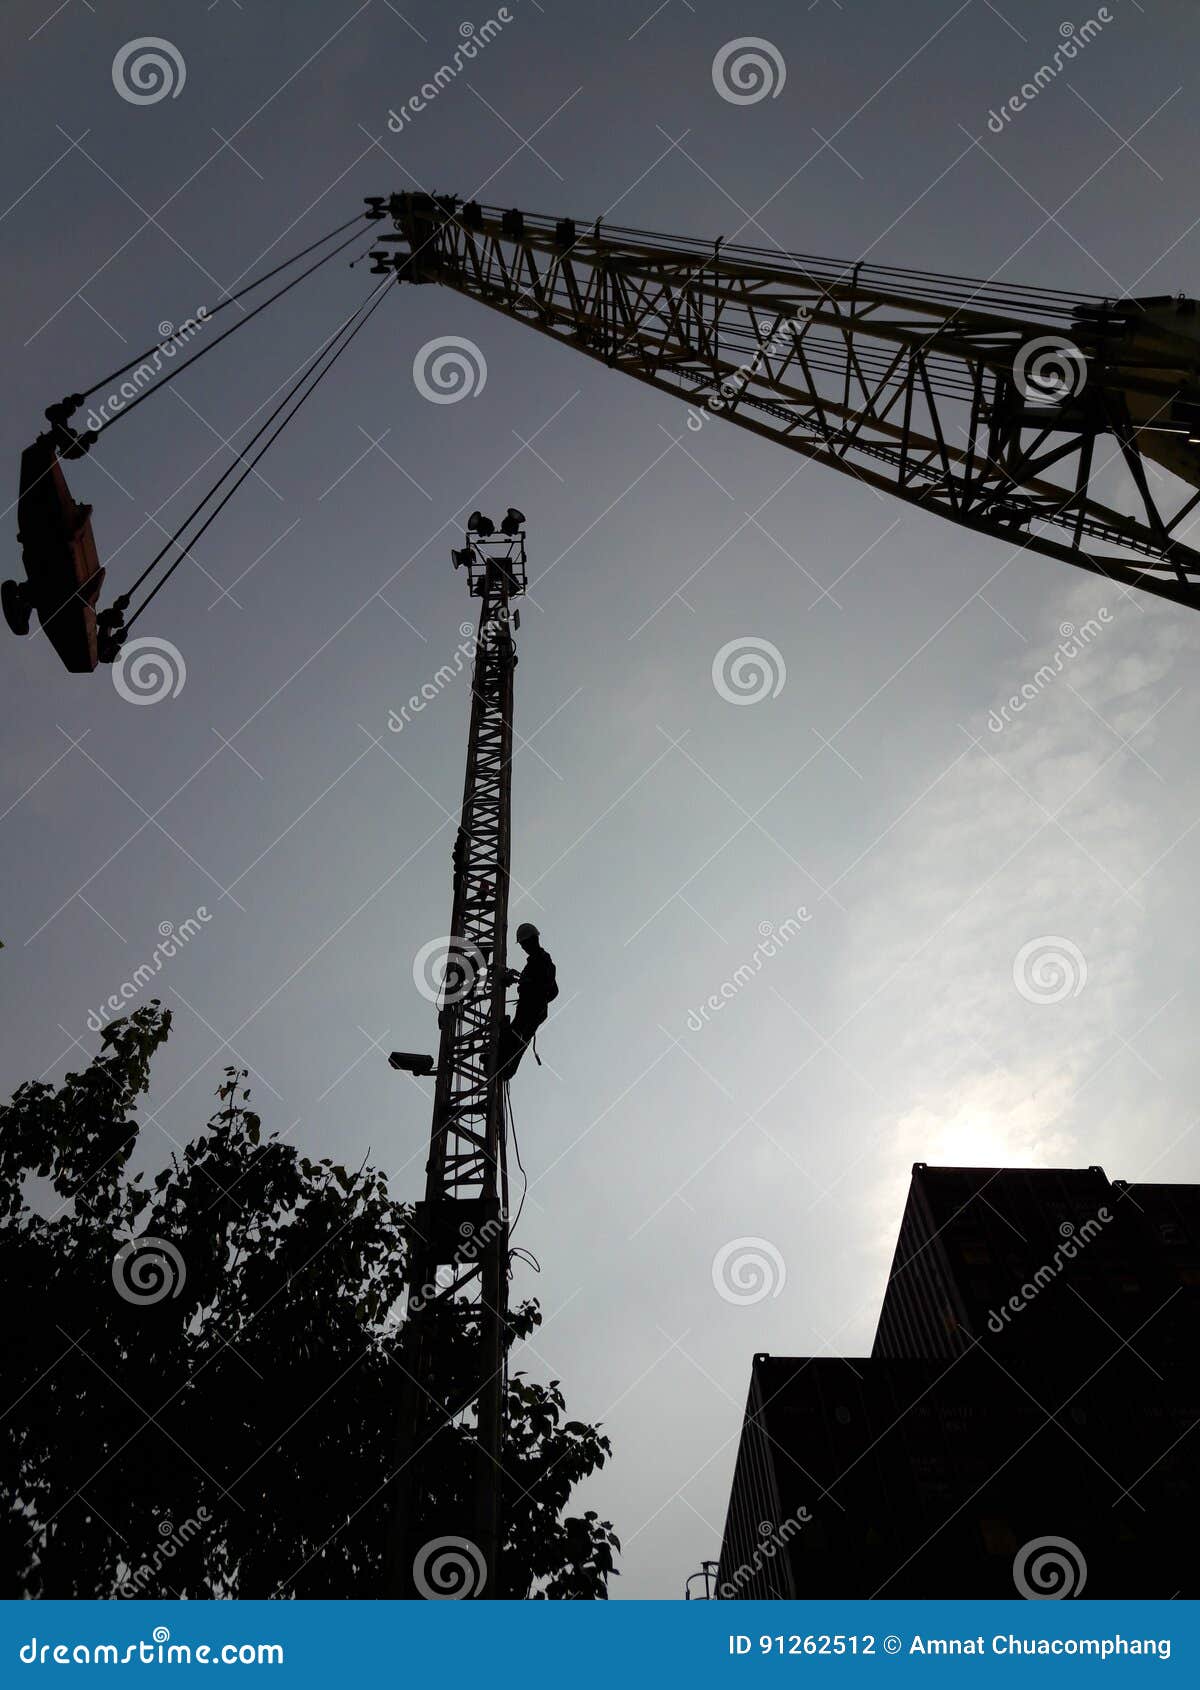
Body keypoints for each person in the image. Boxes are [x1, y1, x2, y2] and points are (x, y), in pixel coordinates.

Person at [496, 922, 557, 1081]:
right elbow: (551, 990)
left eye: (524, 944)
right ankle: (500, 1064)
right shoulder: (537, 962)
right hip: (531, 1008)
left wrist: (531, 988)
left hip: (532, 1009)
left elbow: (550, 989)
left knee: (516, 1038)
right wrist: (524, 981)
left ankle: (503, 1067)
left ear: (531, 940)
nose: (524, 948)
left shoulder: (542, 960)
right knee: (516, 1038)